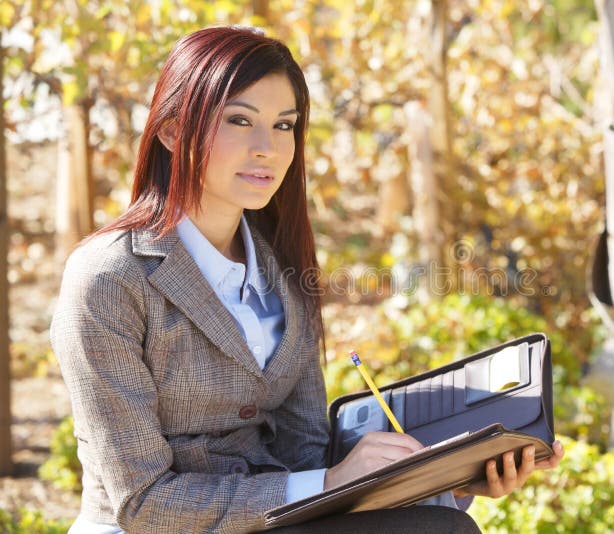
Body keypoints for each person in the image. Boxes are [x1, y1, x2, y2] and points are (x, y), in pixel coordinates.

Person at [50, 26, 565, 534]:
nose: (267, 148)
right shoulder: (110, 279)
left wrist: (449, 474)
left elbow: (306, 453)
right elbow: (143, 502)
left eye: (284, 125)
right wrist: (330, 481)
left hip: (276, 522)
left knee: (441, 520)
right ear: (171, 131)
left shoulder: (283, 266)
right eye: (239, 120)